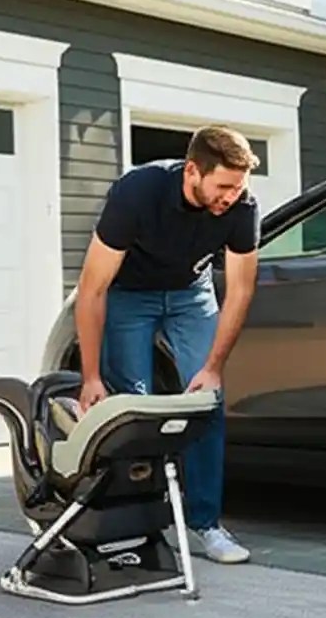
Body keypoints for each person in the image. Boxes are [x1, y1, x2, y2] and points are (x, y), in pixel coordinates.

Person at [73, 125, 261, 564]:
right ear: (193, 171)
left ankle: (205, 525)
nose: (231, 196)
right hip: (128, 295)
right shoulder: (137, 193)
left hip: (190, 294)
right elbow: (92, 288)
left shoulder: (242, 206)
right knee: (132, 409)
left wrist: (212, 367)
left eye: (239, 187)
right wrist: (91, 376)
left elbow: (240, 291)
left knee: (205, 401)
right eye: (223, 186)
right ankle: (131, 525)